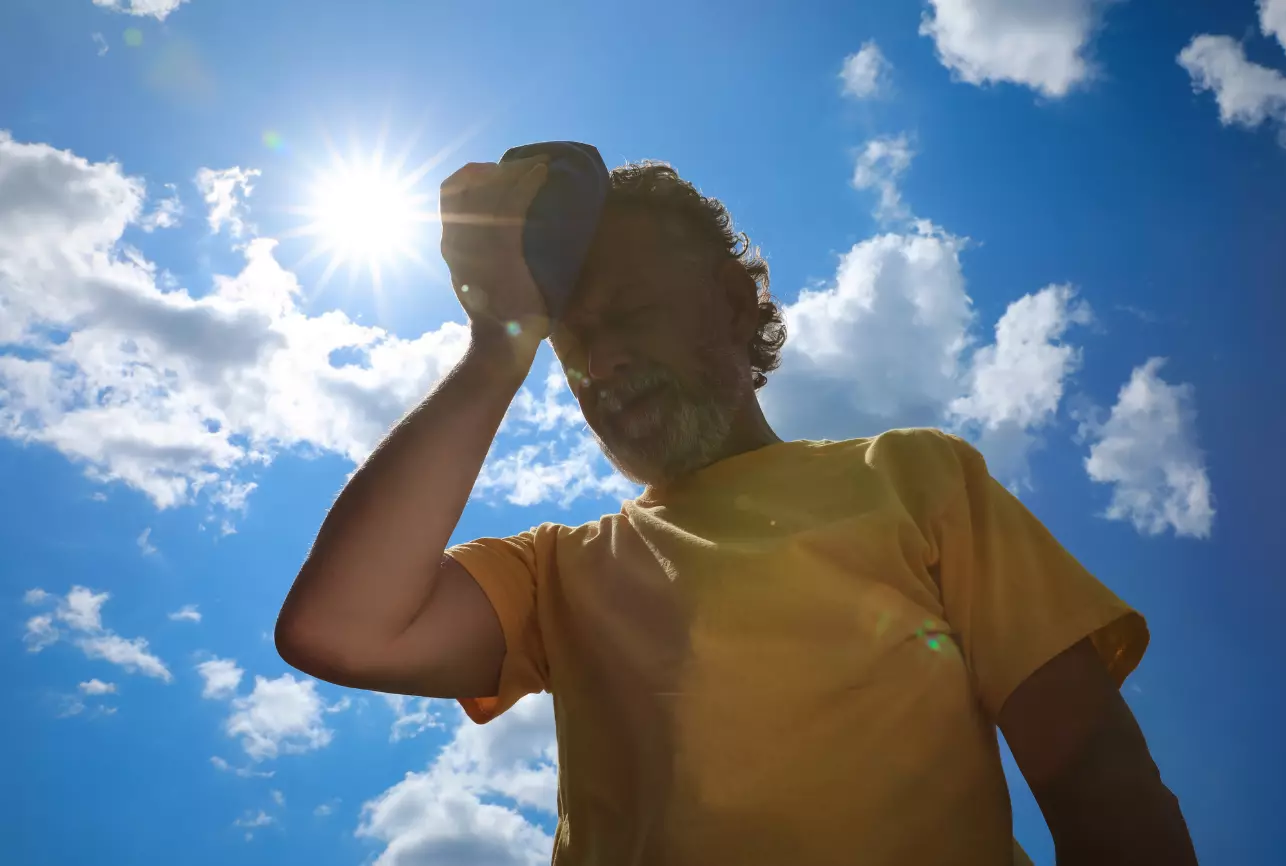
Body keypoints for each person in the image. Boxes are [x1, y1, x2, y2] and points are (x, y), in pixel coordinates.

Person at [275, 155, 1198, 866]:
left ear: (729, 300)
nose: (601, 363)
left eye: (628, 312)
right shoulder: (556, 571)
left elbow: (1094, 775)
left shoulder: (913, 476)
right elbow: (338, 629)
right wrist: (496, 345)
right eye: (569, 343)